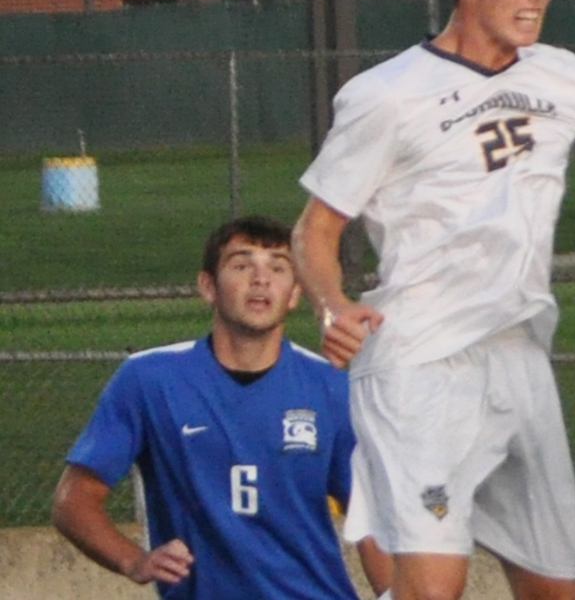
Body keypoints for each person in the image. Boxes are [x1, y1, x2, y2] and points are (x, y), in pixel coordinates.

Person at [289, 0, 575, 600]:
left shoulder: (567, 79)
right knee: (435, 587)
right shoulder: (388, 95)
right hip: (421, 362)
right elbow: (315, 229)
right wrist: (330, 305)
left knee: (556, 590)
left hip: (520, 356)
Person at [53, 216, 389, 600]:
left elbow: (371, 521)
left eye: (278, 267)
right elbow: (74, 501)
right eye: (242, 265)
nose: (261, 279)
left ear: (295, 293)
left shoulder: (332, 388)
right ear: (208, 287)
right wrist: (133, 561)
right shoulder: (149, 381)